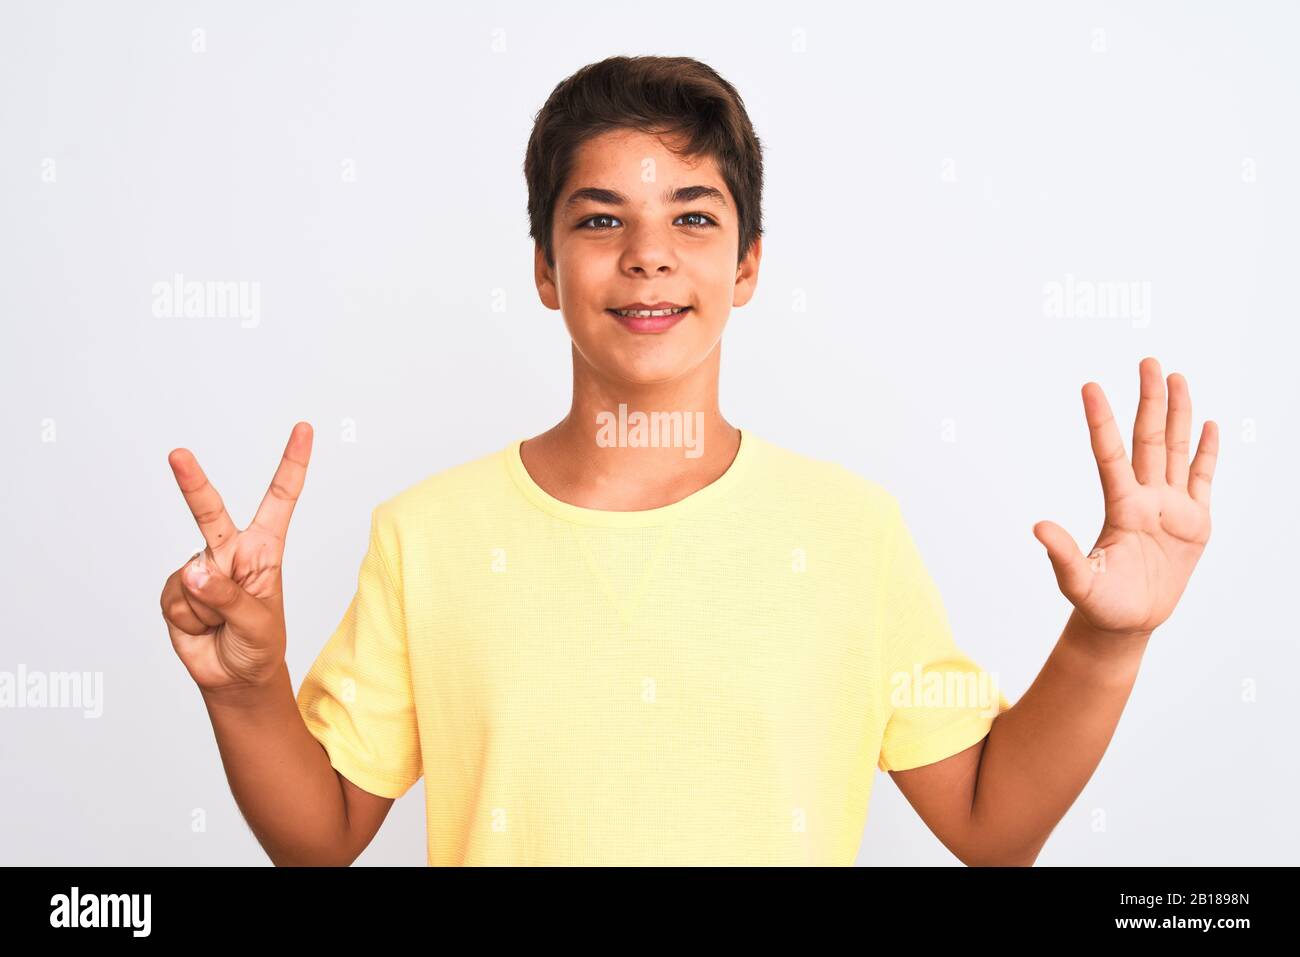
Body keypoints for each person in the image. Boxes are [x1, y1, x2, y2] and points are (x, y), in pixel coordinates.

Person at [159, 55, 1219, 866]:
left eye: (693, 217)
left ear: (747, 264)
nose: (647, 253)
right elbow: (323, 837)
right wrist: (245, 692)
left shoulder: (848, 534)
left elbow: (992, 826)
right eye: (601, 218)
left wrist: (1104, 639)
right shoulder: (427, 537)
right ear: (543, 270)